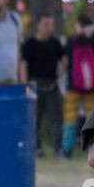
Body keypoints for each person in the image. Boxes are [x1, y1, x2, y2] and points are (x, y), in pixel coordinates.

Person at [62, 15, 94, 156]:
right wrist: (92, 30)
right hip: (90, 86)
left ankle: (67, 150)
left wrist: (89, 30)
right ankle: (92, 148)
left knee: (70, 118)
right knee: (91, 118)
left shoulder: (72, 40)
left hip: (73, 84)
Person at [20, 14, 66, 157]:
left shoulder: (55, 43)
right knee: (34, 119)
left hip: (52, 85)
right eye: (46, 24)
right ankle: (36, 148)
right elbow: (23, 64)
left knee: (56, 119)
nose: (49, 28)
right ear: (38, 25)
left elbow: (64, 61)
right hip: (34, 85)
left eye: (51, 24)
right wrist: (25, 84)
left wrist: (63, 76)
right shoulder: (29, 44)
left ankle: (57, 148)